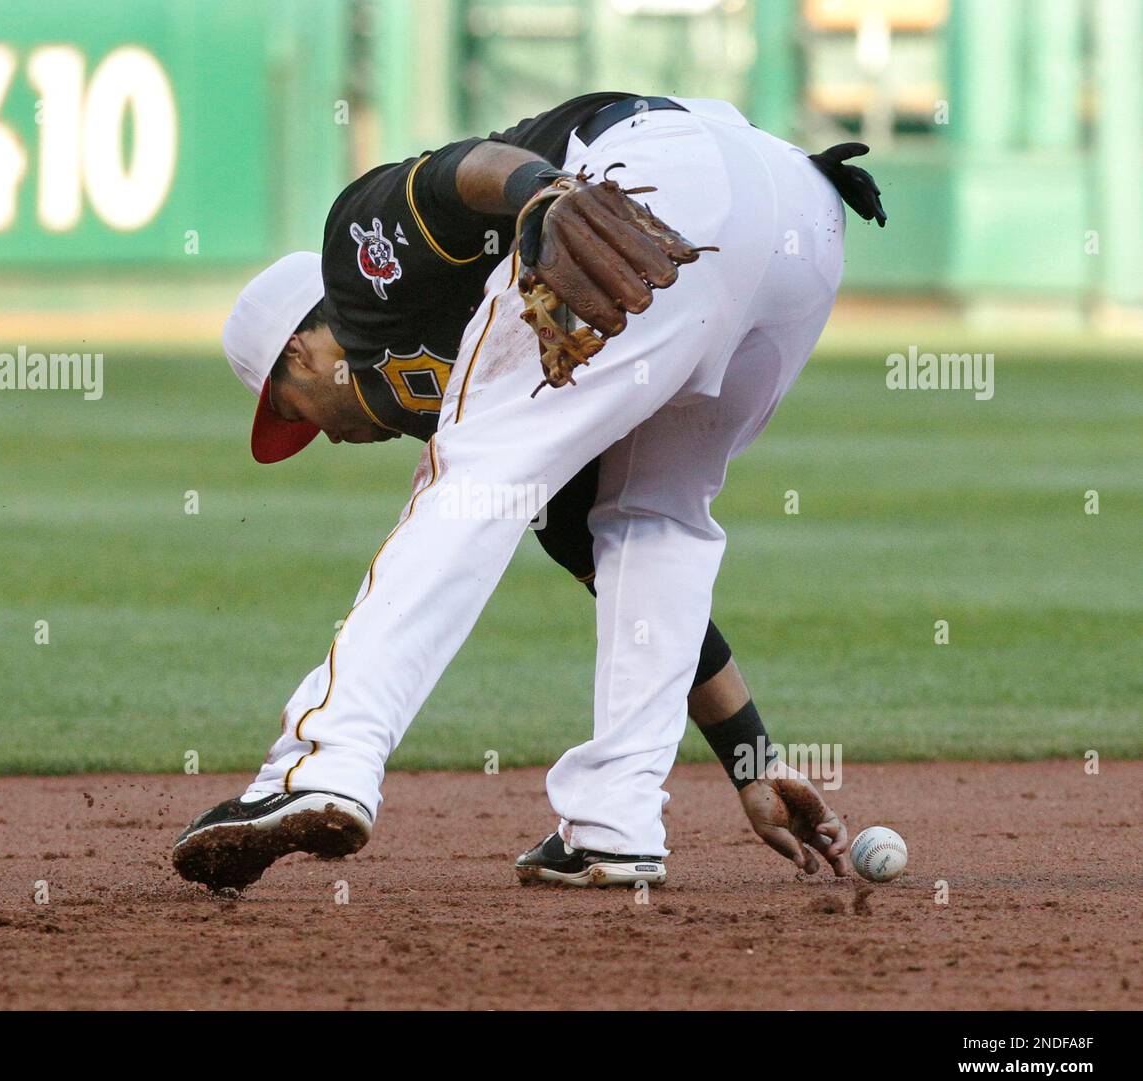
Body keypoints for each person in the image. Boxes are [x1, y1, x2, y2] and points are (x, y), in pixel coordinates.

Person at [174, 93, 885, 891]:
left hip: (658, 177)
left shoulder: (354, 259)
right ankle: (616, 823)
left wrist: (546, 192)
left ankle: (323, 763)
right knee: (653, 520)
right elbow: (631, 581)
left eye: (293, 411)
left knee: (476, 475)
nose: (323, 436)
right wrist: (753, 758)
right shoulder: (535, 408)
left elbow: (456, 172)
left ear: (300, 353)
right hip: (801, 230)